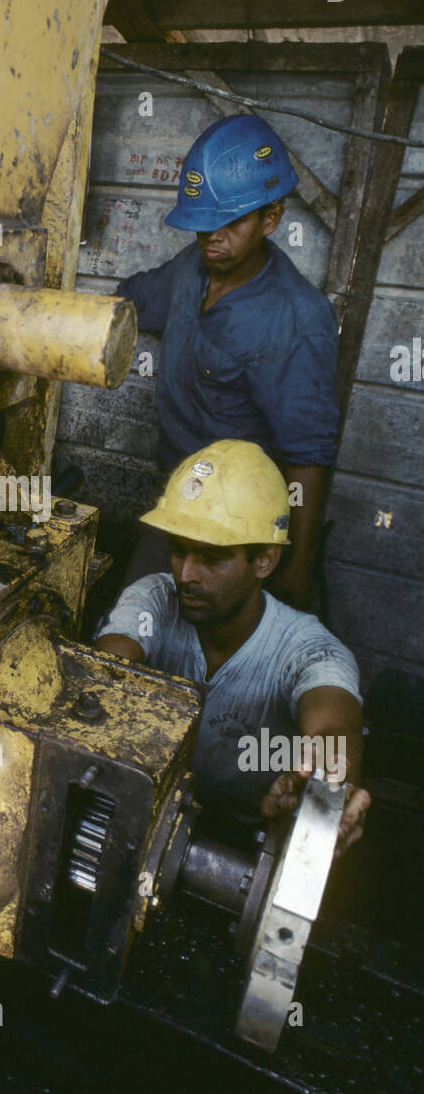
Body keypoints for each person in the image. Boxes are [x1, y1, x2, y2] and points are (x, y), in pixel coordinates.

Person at [94, 440, 370, 855]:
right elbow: (108, 665)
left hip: (241, 840)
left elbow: (334, 729)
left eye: (212, 557)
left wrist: (330, 783)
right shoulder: (154, 598)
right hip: (138, 814)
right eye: (179, 550)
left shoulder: (309, 649)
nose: (186, 574)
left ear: (264, 561)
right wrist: (97, 687)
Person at [117, 113, 339, 611]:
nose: (212, 238)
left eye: (230, 223)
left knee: (214, 667)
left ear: (271, 218)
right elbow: (134, 300)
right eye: (201, 225)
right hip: (179, 501)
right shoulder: (191, 268)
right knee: (133, 629)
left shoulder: (295, 319)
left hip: (240, 527)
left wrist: (292, 568)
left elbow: (307, 460)